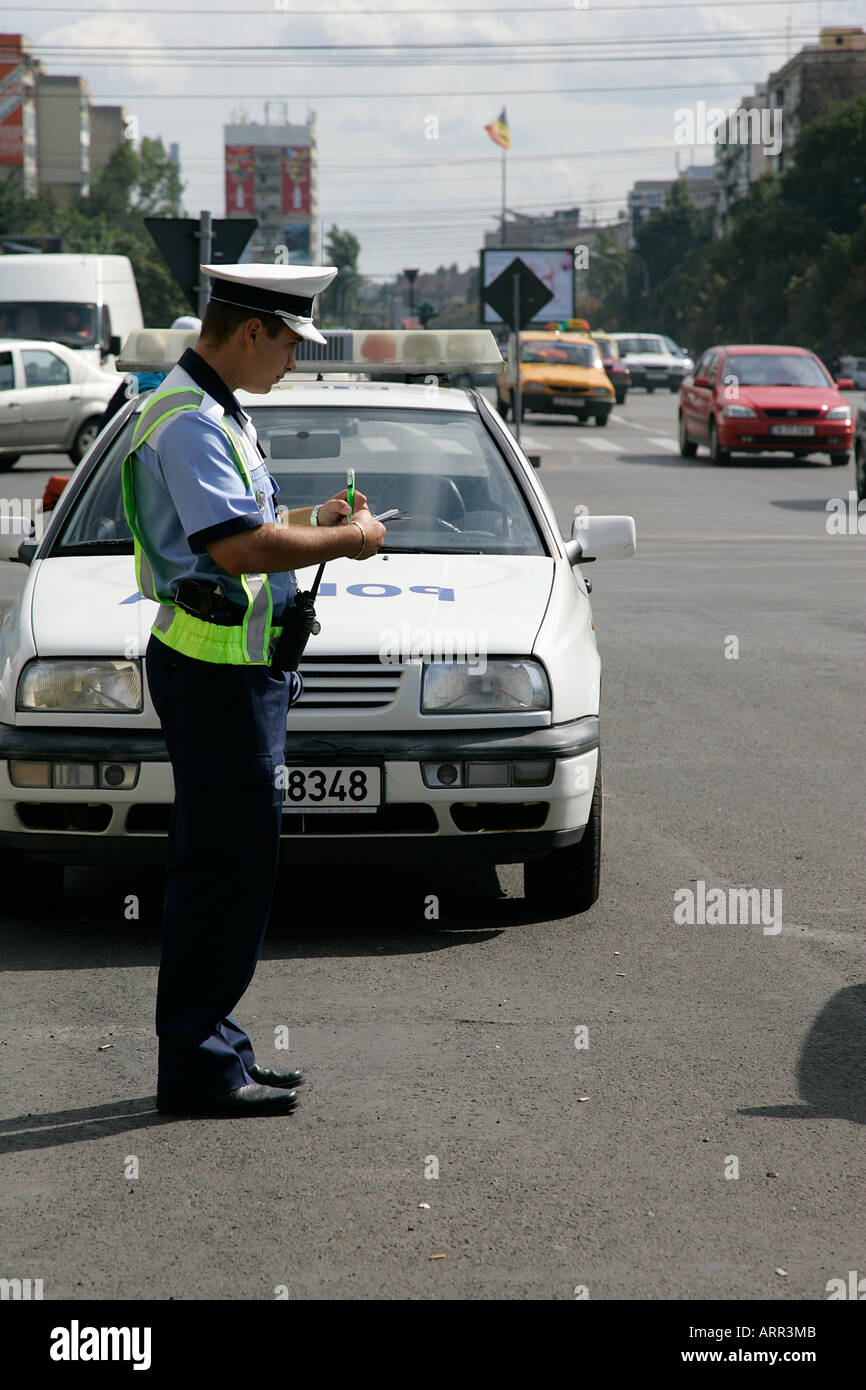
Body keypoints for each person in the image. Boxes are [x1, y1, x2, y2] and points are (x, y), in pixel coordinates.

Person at [121, 263, 386, 1117]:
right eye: (289, 346)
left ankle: (217, 1048)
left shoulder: (213, 411)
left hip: (231, 673)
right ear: (250, 332)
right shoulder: (192, 422)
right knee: (224, 871)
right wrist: (347, 538)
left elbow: (245, 525)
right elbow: (236, 551)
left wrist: (314, 519)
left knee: (227, 866)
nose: (293, 364)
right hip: (215, 677)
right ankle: (200, 1067)